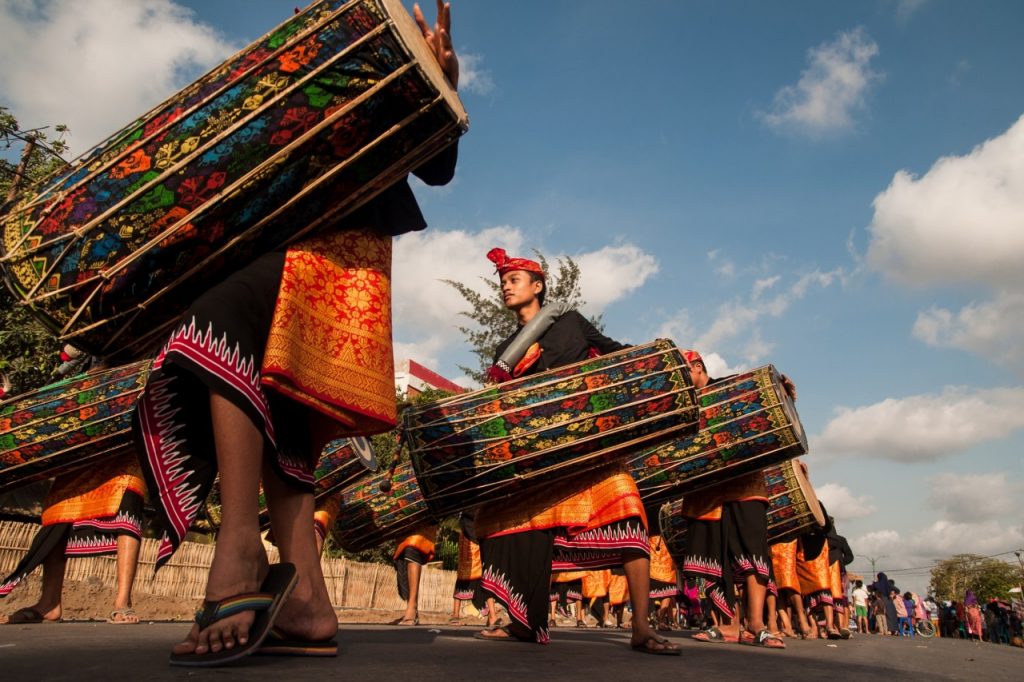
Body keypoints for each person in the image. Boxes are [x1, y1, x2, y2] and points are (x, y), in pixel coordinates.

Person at [129, 1, 460, 665]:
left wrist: (443, 83)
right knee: (282, 409)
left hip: (337, 239)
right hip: (265, 231)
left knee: (219, 314)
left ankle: (240, 550)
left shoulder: (386, 35)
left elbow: (437, 168)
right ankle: (308, 602)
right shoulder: (308, 38)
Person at [470, 249, 679, 655]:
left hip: (590, 448)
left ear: (538, 285)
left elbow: (617, 352)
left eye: (513, 279)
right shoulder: (505, 350)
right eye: (503, 282)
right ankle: (524, 622)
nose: (505, 286)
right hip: (539, 459)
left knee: (629, 514)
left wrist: (655, 356)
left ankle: (641, 627)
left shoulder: (571, 323)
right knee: (501, 522)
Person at [682, 351, 792, 650]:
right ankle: (727, 625)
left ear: (697, 366)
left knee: (752, 553)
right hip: (704, 491)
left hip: (745, 484)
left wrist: (783, 391)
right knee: (711, 558)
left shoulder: (730, 387)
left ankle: (756, 626)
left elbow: (764, 399)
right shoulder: (682, 407)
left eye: (683, 372)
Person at [1, 454, 144, 625]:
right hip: (83, 454)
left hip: (127, 447)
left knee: (126, 505)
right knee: (57, 513)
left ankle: (123, 602)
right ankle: (49, 604)